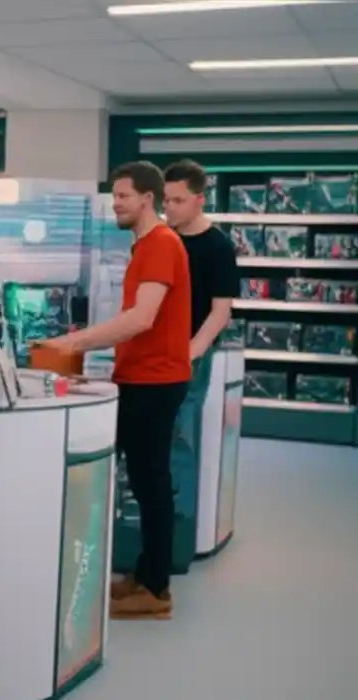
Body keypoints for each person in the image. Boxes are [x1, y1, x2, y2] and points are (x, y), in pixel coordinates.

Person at [41, 161, 191, 620]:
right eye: (114, 197)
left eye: (123, 196)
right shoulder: (145, 245)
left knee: (151, 484)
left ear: (148, 198)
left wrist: (77, 341)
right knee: (145, 482)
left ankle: (157, 590)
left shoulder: (161, 244)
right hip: (141, 378)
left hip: (155, 381)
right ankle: (146, 576)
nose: (116, 204)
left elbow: (142, 318)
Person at [162, 160, 240, 568]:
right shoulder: (162, 240)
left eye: (177, 200)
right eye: (165, 200)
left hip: (190, 357)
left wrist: (192, 351)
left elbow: (221, 311)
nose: (170, 208)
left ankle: (177, 542)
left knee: (180, 442)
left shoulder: (218, 246)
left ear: (199, 199)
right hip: (155, 357)